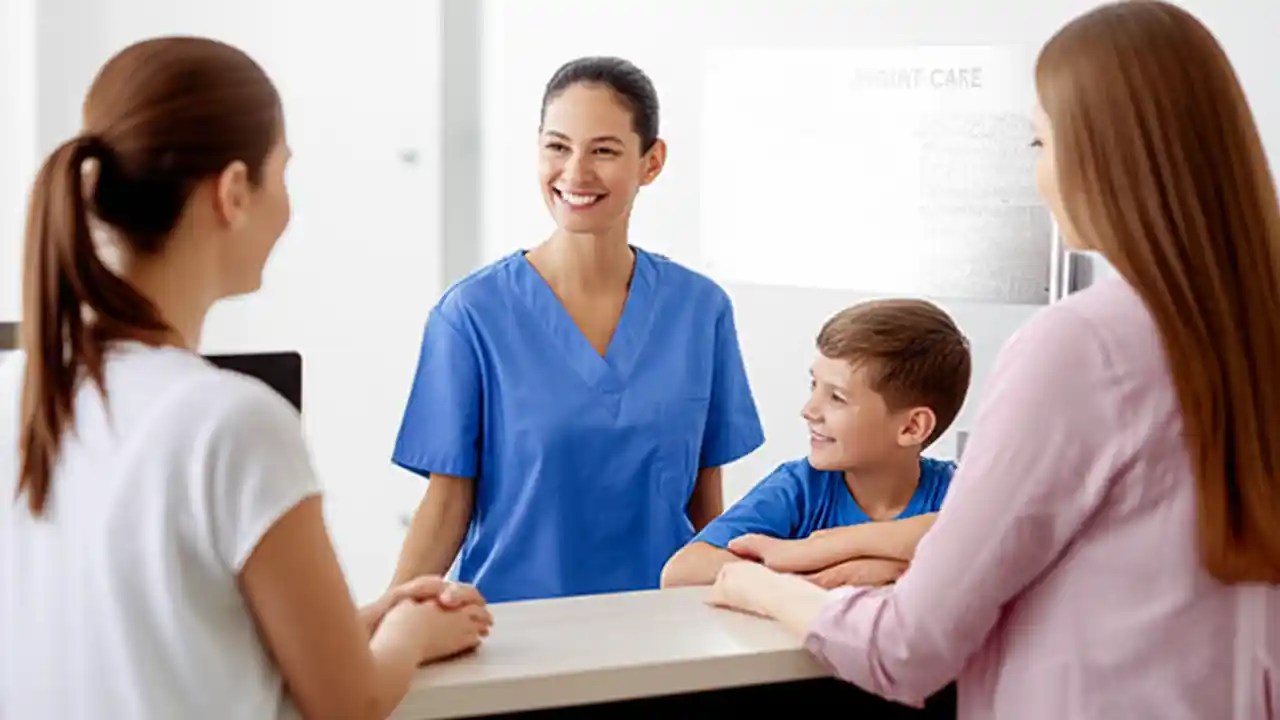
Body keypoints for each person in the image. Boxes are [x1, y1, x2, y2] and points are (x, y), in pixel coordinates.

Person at [705, 2, 1280, 718]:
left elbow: (906, 648)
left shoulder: (1081, 345)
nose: (1038, 173)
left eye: (1039, 143)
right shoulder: (1253, 341)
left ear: (1100, 155)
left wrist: (762, 588)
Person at [0, 37, 491, 720]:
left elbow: (164, 636)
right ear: (233, 192)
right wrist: (408, 636)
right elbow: (348, 702)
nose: (288, 205)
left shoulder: (29, 395)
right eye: (282, 173)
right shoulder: (231, 421)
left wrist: (364, 621)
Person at [390, 56, 765, 603]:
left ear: (651, 162)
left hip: (664, 632)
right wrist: (384, 628)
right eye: (557, 146)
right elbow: (447, 505)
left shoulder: (700, 310)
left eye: (604, 150)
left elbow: (705, 502)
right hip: (513, 636)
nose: (575, 172)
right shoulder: (471, 315)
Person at [661, 299, 970, 589]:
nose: (809, 410)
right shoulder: (799, 488)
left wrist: (818, 548)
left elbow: (987, 537)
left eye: (837, 397)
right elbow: (682, 572)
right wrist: (835, 574)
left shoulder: (957, 492)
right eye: (814, 386)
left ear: (912, 427)